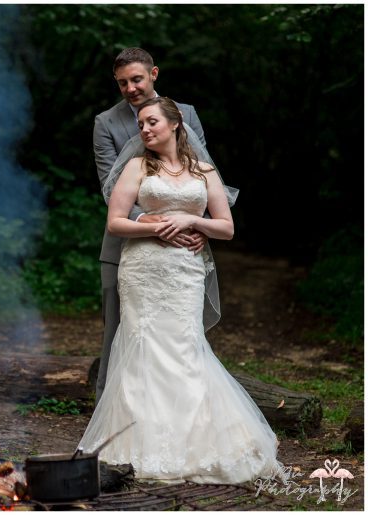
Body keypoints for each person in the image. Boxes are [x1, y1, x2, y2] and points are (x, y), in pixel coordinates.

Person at [78, 96, 280, 483]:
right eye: (140, 124)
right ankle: (138, 441)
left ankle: (194, 442)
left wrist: (192, 221)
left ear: (175, 124)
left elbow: (226, 227)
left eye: (152, 122)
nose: (144, 129)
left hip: (185, 271)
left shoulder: (204, 171)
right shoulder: (137, 166)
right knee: (143, 347)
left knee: (185, 346)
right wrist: (155, 227)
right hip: (143, 268)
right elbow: (116, 222)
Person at [93, 48, 212, 403]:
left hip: (185, 248)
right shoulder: (106, 123)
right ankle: (109, 416)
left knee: (180, 335)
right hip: (127, 248)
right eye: (122, 83)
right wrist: (147, 220)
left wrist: (200, 227)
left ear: (154, 74)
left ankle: (181, 412)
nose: (130, 88)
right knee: (119, 334)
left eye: (136, 79)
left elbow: (205, 177)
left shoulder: (185, 113)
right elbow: (109, 187)